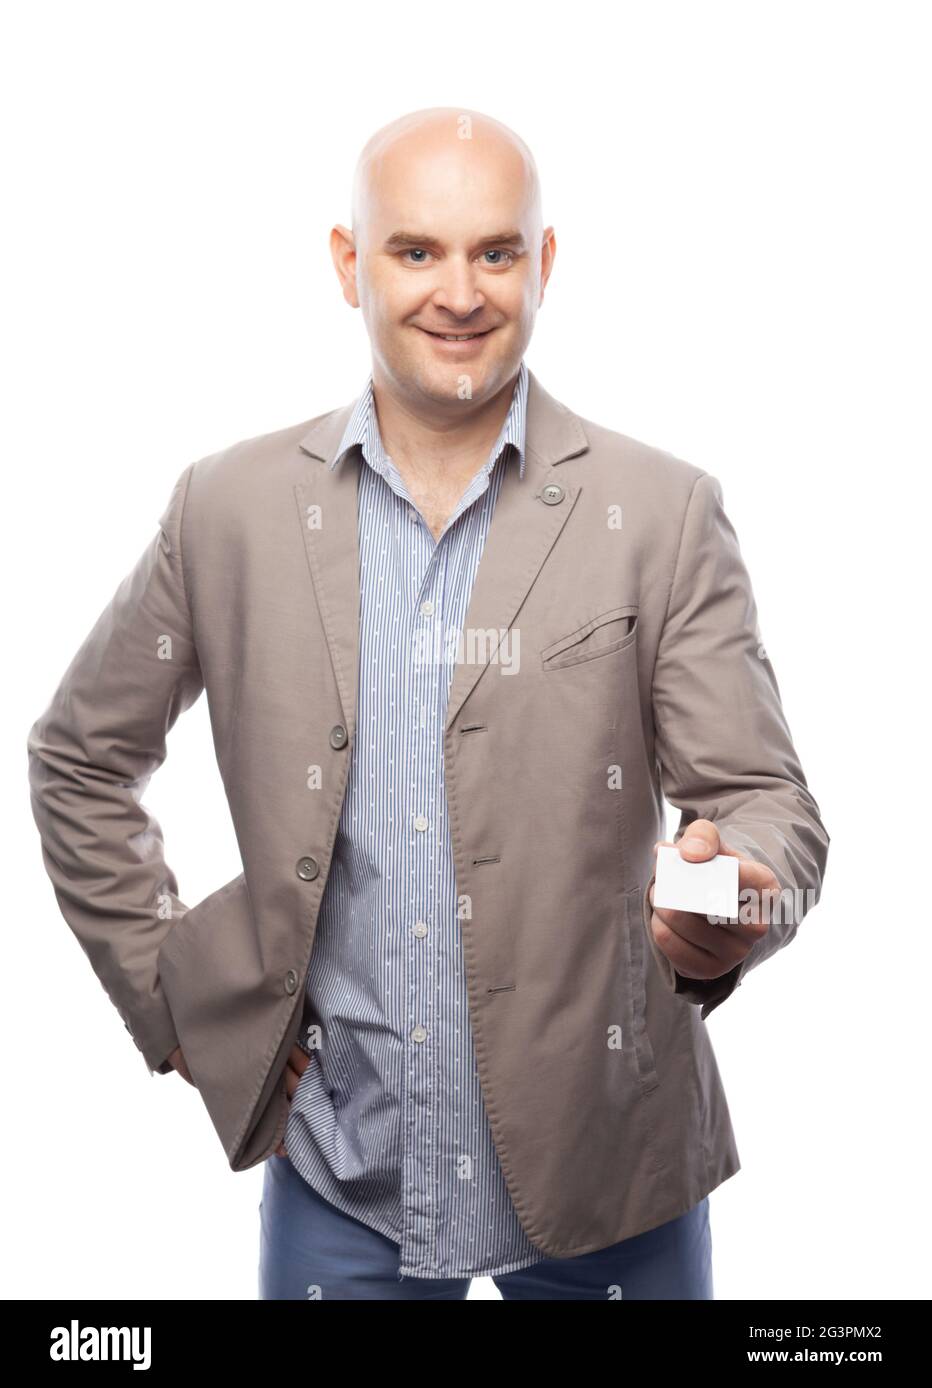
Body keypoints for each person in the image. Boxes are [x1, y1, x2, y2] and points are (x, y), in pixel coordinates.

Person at [26, 106, 829, 1300]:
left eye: (495, 252)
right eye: (415, 251)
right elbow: (79, 757)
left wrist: (737, 893)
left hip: (612, 1177)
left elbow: (765, 806)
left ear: (542, 265)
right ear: (349, 263)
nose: (458, 290)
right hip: (342, 1186)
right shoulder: (225, 510)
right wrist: (172, 998)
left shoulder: (659, 515)